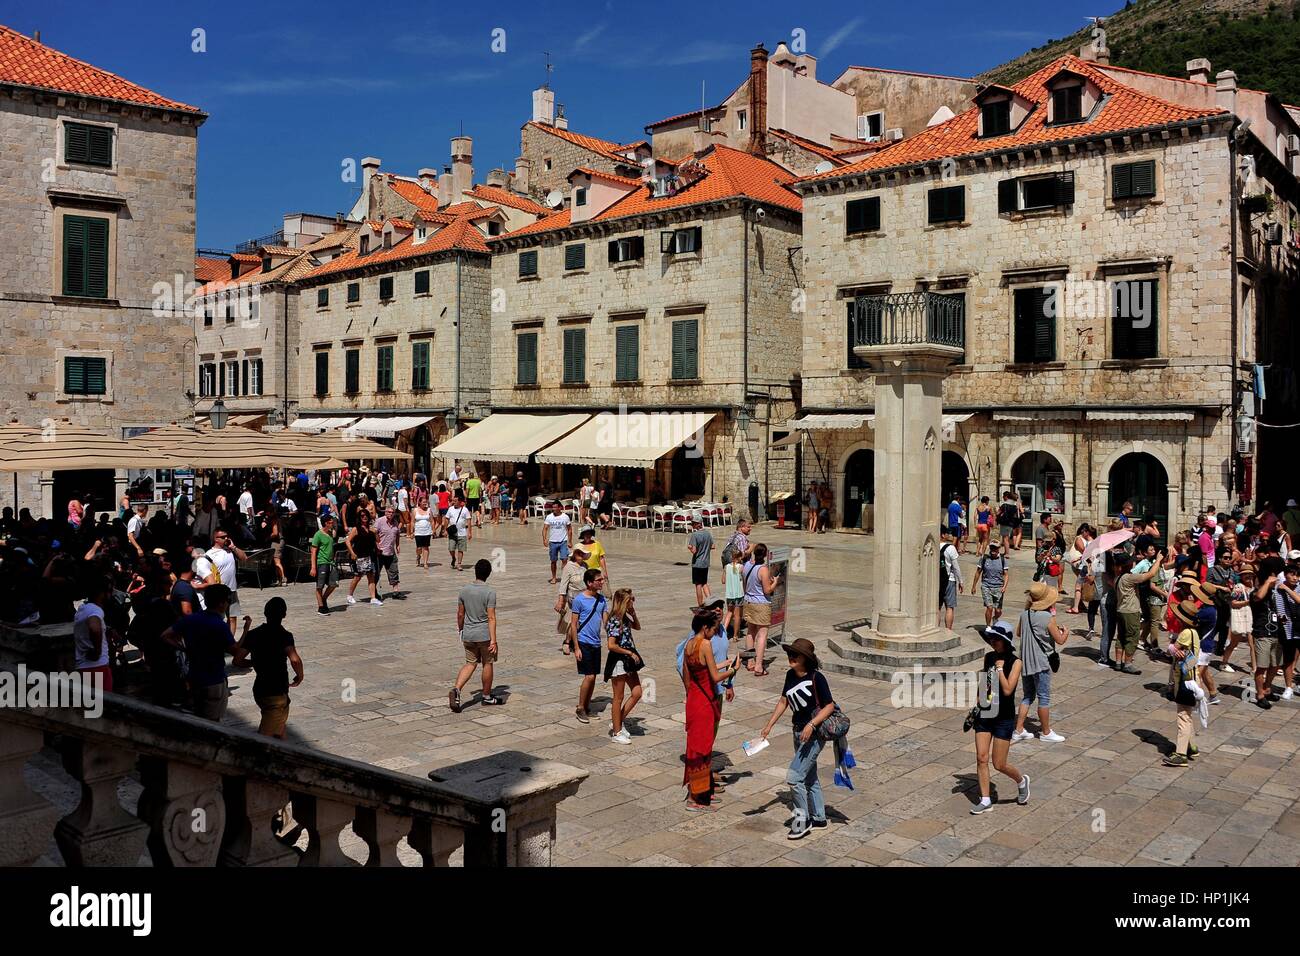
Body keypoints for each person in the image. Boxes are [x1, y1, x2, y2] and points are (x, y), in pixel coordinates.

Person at [757, 638, 834, 837]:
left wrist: (811, 724)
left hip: (814, 733)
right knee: (809, 776)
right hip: (797, 731)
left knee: (794, 777)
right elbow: (784, 701)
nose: (791, 657)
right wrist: (769, 725)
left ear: (805, 659)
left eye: (795, 655)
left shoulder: (817, 678)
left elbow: (829, 706)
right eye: (790, 654)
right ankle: (819, 817)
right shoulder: (791, 675)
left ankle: (803, 820)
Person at [675, 598, 736, 792]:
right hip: (704, 695)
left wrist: (729, 684)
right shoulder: (699, 641)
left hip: (715, 694)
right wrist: (691, 691)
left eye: (721, 607)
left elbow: (721, 660)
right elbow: (683, 665)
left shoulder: (722, 631)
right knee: (702, 740)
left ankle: (705, 777)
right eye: (713, 608)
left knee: (709, 737)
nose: (719, 610)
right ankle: (701, 785)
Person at [969, 620, 1029, 814]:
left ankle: (1021, 781)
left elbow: (1008, 689)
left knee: (999, 764)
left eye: (997, 639)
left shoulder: (1016, 662)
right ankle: (985, 799)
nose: (993, 642)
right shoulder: (988, 658)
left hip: (1004, 717)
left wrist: (1001, 669)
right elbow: (985, 683)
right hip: (986, 713)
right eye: (991, 638)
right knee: (981, 757)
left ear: (1005, 641)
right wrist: (977, 704)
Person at [162, 584, 237, 721]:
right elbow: (235, 650)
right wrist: (245, 630)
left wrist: (183, 648)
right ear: (221, 603)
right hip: (214, 678)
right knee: (213, 721)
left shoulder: (191, 619)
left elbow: (166, 635)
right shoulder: (219, 624)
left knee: (198, 716)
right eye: (228, 601)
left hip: (195, 676)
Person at [235, 596, 303, 738]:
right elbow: (295, 660)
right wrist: (300, 675)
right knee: (265, 737)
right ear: (284, 615)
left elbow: (238, 660)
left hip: (260, 688)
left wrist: (255, 662)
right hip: (276, 691)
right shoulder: (284, 635)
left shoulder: (254, 634)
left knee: (279, 730)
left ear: (265, 613)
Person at [1011, 582, 1068, 743]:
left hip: (1025, 661)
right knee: (1044, 697)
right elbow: (1060, 640)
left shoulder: (1025, 614)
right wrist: (1066, 632)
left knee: (1028, 695)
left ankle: (1019, 729)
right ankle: (1045, 732)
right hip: (1041, 662)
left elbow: (1019, 633)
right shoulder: (1047, 618)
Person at [450, 558, 500, 711]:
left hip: (469, 634)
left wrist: (461, 630)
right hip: (484, 635)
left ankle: (457, 689)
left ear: (476, 572)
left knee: (470, 663)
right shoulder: (490, 592)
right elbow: (491, 617)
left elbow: (460, 614)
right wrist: (494, 641)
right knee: (487, 663)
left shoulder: (464, 590)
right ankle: (486, 696)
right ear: (488, 574)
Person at [602, 587, 643, 744]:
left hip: (628, 659)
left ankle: (618, 721)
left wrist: (633, 613)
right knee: (618, 697)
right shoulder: (615, 620)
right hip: (619, 659)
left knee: (637, 692)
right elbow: (611, 645)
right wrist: (629, 653)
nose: (632, 602)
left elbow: (637, 627)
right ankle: (617, 732)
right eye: (630, 600)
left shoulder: (624, 617)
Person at [1114, 551, 1164, 675]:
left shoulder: (1118, 577)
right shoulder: (1130, 578)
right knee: (1132, 637)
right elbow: (1151, 574)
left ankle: (1118, 662)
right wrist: (1158, 560)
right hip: (1130, 611)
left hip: (1120, 610)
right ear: (1127, 564)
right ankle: (1128, 664)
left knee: (1121, 636)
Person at [569, 567, 607, 723]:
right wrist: (576, 647)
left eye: (602, 579)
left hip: (596, 643)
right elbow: (573, 624)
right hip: (583, 642)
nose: (602, 582)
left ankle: (586, 705)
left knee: (593, 676)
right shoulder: (579, 600)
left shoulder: (602, 599)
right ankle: (580, 708)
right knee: (589, 676)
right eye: (599, 580)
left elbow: (606, 621)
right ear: (590, 583)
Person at [1251, 560, 1289, 709]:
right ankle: (1259, 695)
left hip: (1277, 633)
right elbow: (1258, 597)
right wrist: (1267, 582)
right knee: (1262, 666)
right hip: (1263, 633)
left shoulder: (1277, 593)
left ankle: (1267, 688)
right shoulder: (1256, 592)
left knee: (1275, 664)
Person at [1163, 628, 1202, 767]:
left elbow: (1171, 649)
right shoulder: (1193, 632)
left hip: (1185, 680)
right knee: (1187, 714)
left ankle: (1181, 754)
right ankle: (1191, 747)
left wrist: (1172, 647)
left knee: (1183, 716)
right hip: (1190, 677)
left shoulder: (1186, 633)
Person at [196, 529, 246, 635]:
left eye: (227, 536)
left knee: (232, 618)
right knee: (219, 618)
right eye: (223, 537)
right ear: (216, 539)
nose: (226, 538)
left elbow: (244, 558)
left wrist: (233, 547)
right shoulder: (209, 554)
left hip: (232, 589)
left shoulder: (230, 550)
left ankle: (230, 641)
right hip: (219, 591)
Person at [742, 544, 781, 676]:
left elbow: (744, 585)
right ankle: (758, 665)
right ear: (765, 555)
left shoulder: (746, 565)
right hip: (761, 603)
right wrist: (775, 582)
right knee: (762, 634)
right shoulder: (763, 569)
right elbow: (767, 590)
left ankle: (750, 662)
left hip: (748, 601)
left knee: (750, 632)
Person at [73, 576, 114, 692]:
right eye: (110, 591)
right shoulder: (95, 610)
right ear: (102, 593)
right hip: (97, 668)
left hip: (83, 667)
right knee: (103, 705)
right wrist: (97, 652)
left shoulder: (83, 609)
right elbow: (94, 628)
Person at [1221, 565, 1257, 674]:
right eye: (1245, 574)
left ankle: (1255, 668)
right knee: (1234, 643)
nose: (1248, 576)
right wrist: (1248, 602)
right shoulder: (1238, 587)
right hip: (1242, 618)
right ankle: (1224, 662)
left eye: (1250, 574)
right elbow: (1232, 603)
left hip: (1252, 618)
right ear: (1241, 576)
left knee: (1253, 644)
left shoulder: (1254, 588)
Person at [555, 545, 591, 652]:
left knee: (583, 621)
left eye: (582, 553)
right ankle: (567, 641)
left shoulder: (585, 565)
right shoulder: (568, 567)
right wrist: (561, 601)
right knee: (573, 622)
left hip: (585, 598)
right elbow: (563, 585)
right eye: (578, 552)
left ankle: (578, 642)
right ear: (574, 554)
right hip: (573, 599)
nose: (581, 554)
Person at [344, 509, 382, 606]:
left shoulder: (371, 529)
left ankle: (373, 598)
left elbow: (377, 540)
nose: (364, 517)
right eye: (362, 516)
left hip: (370, 556)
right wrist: (352, 553)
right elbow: (347, 541)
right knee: (357, 576)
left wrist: (375, 532)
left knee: (371, 576)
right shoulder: (356, 529)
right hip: (360, 556)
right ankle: (350, 595)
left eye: (366, 515)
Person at [972, 541, 1009, 626]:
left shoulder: (1003, 560)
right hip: (986, 586)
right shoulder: (984, 558)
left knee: (998, 610)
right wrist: (974, 586)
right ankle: (988, 626)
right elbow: (978, 572)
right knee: (989, 607)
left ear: (999, 549)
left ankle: (995, 618)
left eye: (995, 548)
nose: (993, 550)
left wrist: (1005, 586)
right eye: (992, 547)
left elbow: (1006, 575)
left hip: (999, 587)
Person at [310, 514, 339, 614]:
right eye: (331, 523)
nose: (332, 524)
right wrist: (313, 567)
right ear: (326, 523)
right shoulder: (318, 535)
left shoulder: (331, 533)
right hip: (321, 562)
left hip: (331, 562)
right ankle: (321, 607)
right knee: (319, 586)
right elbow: (313, 552)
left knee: (334, 584)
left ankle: (323, 598)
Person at [939, 526, 963, 631]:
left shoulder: (931, 545)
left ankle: (935, 629)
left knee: (937, 608)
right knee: (949, 607)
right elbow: (956, 567)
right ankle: (948, 631)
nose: (948, 535)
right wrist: (960, 581)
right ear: (943, 535)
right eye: (947, 533)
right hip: (949, 580)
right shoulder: (950, 548)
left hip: (936, 581)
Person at [687, 515, 714, 606]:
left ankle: (700, 604)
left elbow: (694, 551)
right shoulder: (708, 533)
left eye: (693, 523)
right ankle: (711, 602)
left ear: (697, 524)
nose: (692, 525)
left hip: (697, 563)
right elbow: (713, 546)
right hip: (706, 562)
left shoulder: (695, 535)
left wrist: (690, 547)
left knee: (698, 585)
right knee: (704, 583)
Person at [543, 499, 572, 583]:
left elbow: (569, 529)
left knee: (564, 559)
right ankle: (554, 577)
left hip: (563, 541)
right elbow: (545, 528)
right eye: (553, 507)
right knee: (553, 561)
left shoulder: (565, 517)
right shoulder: (549, 517)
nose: (554, 509)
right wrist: (544, 539)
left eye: (555, 507)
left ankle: (565, 577)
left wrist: (570, 541)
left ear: (560, 508)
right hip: (553, 542)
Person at [375, 506, 402, 594]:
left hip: (390, 550)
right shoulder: (379, 521)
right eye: (389, 512)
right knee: (376, 573)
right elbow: (374, 533)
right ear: (385, 512)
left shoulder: (395, 522)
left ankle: (396, 591)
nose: (390, 514)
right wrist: (377, 545)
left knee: (394, 570)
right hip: (380, 552)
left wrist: (397, 545)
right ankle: (373, 591)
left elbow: (397, 534)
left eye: (392, 512)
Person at [444, 491, 471, 571]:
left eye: (455, 501)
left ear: (459, 501)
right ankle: (453, 558)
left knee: (460, 549)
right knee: (451, 548)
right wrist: (445, 530)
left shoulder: (465, 510)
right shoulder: (450, 509)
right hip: (452, 533)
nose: (453, 502)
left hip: (462, 533)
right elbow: (446, 519)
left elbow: (469, 521)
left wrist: (469, 532)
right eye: (453, 501)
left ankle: (459, 564)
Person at [724, 544, 746, 643]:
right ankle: (735, 635)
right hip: (738, 594)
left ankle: (723, 631)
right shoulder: (741, 567)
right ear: (739, 557)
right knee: (737, 615)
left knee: (729, 612)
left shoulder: (726, 567)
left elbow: (723, 581)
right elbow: (744, 579)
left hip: (729, 594)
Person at [412, 495, 434, 569]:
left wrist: (433, 530)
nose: (425, 503)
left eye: (426, 502)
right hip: (418, 532)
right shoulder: (415, 510)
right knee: (419, 548)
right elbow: (412, 521)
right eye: (423, 502)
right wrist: (412, 531)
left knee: (426, 547)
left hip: (427, 531)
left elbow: (432, 521)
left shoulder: (429, 510)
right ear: (420, 502)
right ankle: (418, 555)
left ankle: (425, 563)